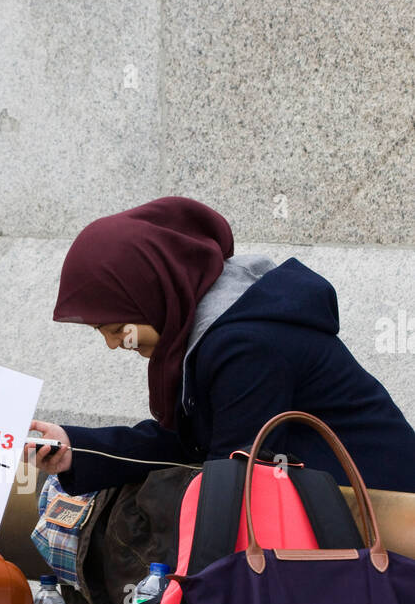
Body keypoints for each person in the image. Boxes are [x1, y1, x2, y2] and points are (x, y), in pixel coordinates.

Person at [26, 196, 415, 496]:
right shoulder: (211, 328)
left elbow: (232, 481)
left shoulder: (247, 343)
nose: (114, 344)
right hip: (333, 513)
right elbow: (194, 444)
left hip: (383, 525)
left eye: (117, 327)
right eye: (102, 331)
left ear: (156, 294)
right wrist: (77, 446)